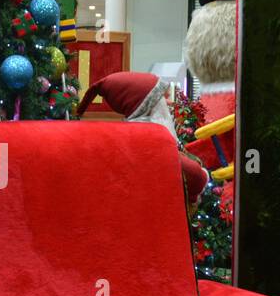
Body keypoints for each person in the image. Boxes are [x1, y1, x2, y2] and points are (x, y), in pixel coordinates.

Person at [76, 70, 209, 206]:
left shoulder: (126, 136)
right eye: (161, 99)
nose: (167, 103)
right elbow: (195, 177)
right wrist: (203, 175)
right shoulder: (151, 138)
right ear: (149, 107)